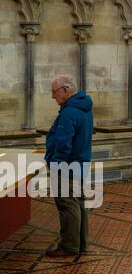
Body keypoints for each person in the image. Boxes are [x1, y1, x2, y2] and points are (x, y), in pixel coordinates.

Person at [45, 74, 93, 259]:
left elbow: (63, 143)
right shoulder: (84, 107)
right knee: (77, 205)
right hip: (80, 164)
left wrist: (56, 164)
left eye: (54, 92)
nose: (52, 96)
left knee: (67, 206)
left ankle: (69, 246)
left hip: (66, 167)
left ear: (65, 90)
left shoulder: (69, 112)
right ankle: (81, 244)